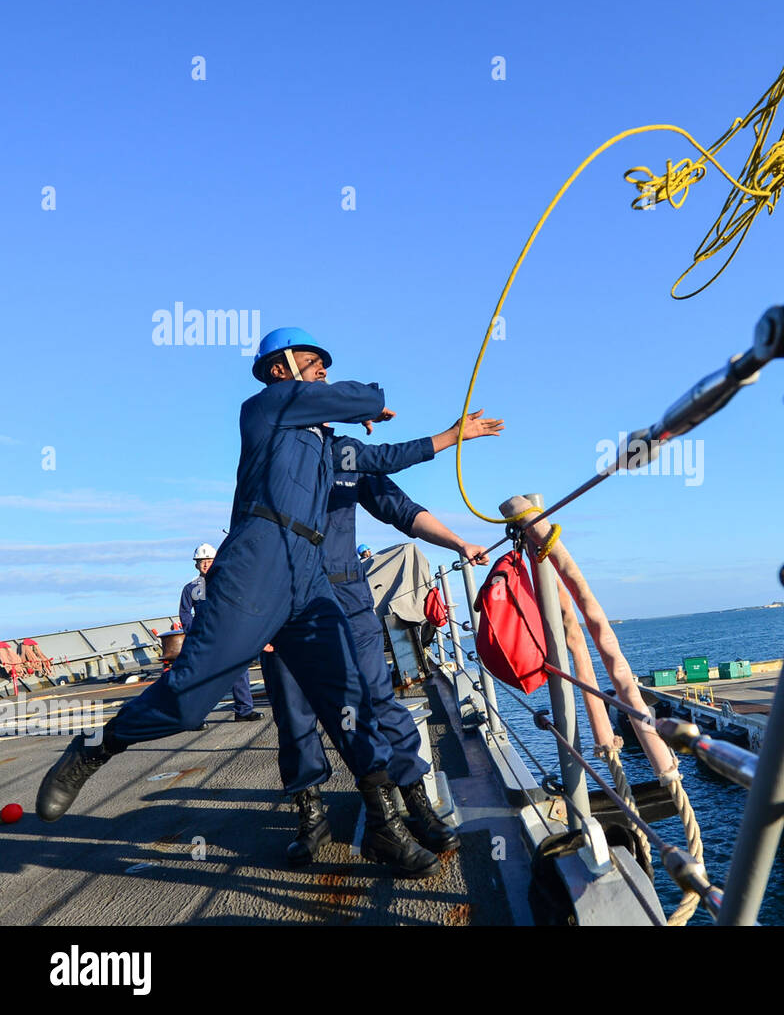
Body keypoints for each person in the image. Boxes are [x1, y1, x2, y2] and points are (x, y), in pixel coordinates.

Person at [36, 327, 441, 877]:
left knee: (353, 698)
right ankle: (94, 747)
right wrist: (368, 403)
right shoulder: (265, 408)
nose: (321, 368)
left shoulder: (322, 441)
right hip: (259, 555)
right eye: (312, 361)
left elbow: (377, 457)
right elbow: (363, 398)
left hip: (311, 570)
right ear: (280, 368)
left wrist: (442, 436)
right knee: (188, 699)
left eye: (325, 364)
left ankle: (386, 829)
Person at [266, 411, 503, 865]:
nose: (322, 377)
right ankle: (310, 816)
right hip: (287, 602)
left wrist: (459, 544)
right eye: (313, 369)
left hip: (347, 597)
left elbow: (403, 511)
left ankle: (413, 803)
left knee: (377, 699)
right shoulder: (273, 452)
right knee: (294, 712)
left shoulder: (348, 455)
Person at [182, 543, 261, 722]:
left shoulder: (226, 581)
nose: (205, 564)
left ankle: (244, 711)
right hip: (205, 638)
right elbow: (185, 613)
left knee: (239, 672)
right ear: (196, 564)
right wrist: (193, 632)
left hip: (229, 635)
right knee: (201, 678)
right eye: (201, 561)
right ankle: (194, 718)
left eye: (209, 561)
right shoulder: (193, 588)